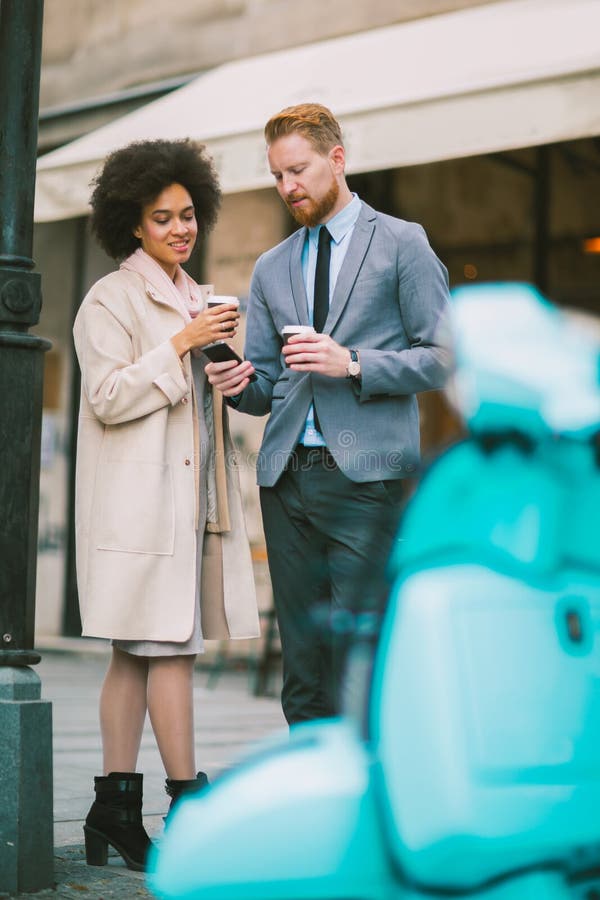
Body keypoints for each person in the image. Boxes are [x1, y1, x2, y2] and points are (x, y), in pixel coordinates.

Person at [206, 103, 450, 726]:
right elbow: (267, 384)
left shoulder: (403, 242)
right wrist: (238, 384)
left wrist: (355, 364)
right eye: (277, 176)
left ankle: (364, 801)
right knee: (305, 666)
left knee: (359, 656)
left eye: (298, 170)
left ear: (336, 160)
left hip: (367, 478)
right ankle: (313, 795)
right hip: (287, 481)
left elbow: (445, 357)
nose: (288, 187)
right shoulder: (270, 266)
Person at [72, 138, 259, 871]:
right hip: (137, 510)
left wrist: (225, 365)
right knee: (169, 651)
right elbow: (107, 395)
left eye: (187, 215)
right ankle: (189, 801)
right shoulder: (109, 298)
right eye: (162, 218)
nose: (181, 229)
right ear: (133, 226)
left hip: (188, 505)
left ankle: (112, 811)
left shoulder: (197, 295)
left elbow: (196, 401)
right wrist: (182, 343)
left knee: (134, 655)